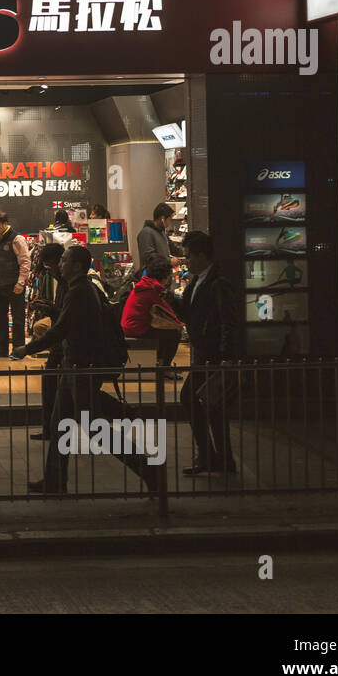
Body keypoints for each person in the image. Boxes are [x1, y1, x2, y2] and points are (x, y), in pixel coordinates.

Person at [23, 246, 157, 495]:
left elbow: (61, 329)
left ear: (76, 266)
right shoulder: (79, 290)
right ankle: (54, 481)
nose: (60, 264)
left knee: (92, 426)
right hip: (73, 367)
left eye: (64, 260)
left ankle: (145, 467)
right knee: (60, 424)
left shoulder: (80, 292)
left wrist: (28, 348)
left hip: (81, 369)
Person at [175, 231, 239, 476]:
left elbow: (227, 320)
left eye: (189, 256)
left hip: (212, 356)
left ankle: (213, 456)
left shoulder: (217, 282)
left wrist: (224, 355)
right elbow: (188, 314)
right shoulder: (198, 281)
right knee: (210, 406)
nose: (186, 261)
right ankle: (218, 457)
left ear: (202, 256)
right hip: (206, 354)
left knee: (195, 400)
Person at [15, 242, 65, 438]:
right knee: (52, 388)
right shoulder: (64, 284)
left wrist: (28, 349)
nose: (50, 271)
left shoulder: (74, 286)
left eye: (51, 266)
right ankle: (52, 431)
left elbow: (65, 322)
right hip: (62, 348)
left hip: (69, 350)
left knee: (60, 391)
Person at [121, 254, 182, 370]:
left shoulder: (145, 284)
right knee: (174, 333)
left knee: (164, 333)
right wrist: (180, 324)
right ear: (166, 276)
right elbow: (167, 312)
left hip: (129, 326)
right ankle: (165, 368)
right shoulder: (153, 289)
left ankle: (160, 363)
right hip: (136, 329)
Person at [0, 210, 30, 359]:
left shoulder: (17, 239)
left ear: (5, 224)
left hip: (14, 285)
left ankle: (18, 350)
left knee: (17, 319)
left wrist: (20, 282)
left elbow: (25, 262)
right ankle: (1, 348)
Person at [136, 203, 183, 278]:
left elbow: (172, 248)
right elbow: (149, 258)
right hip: (152, 280)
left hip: (162, 278)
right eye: (169, 219)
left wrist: (186, 253)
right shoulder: (146, 233)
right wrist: (169, 262)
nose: (170, 222)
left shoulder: (161, 232)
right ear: (163, 219)